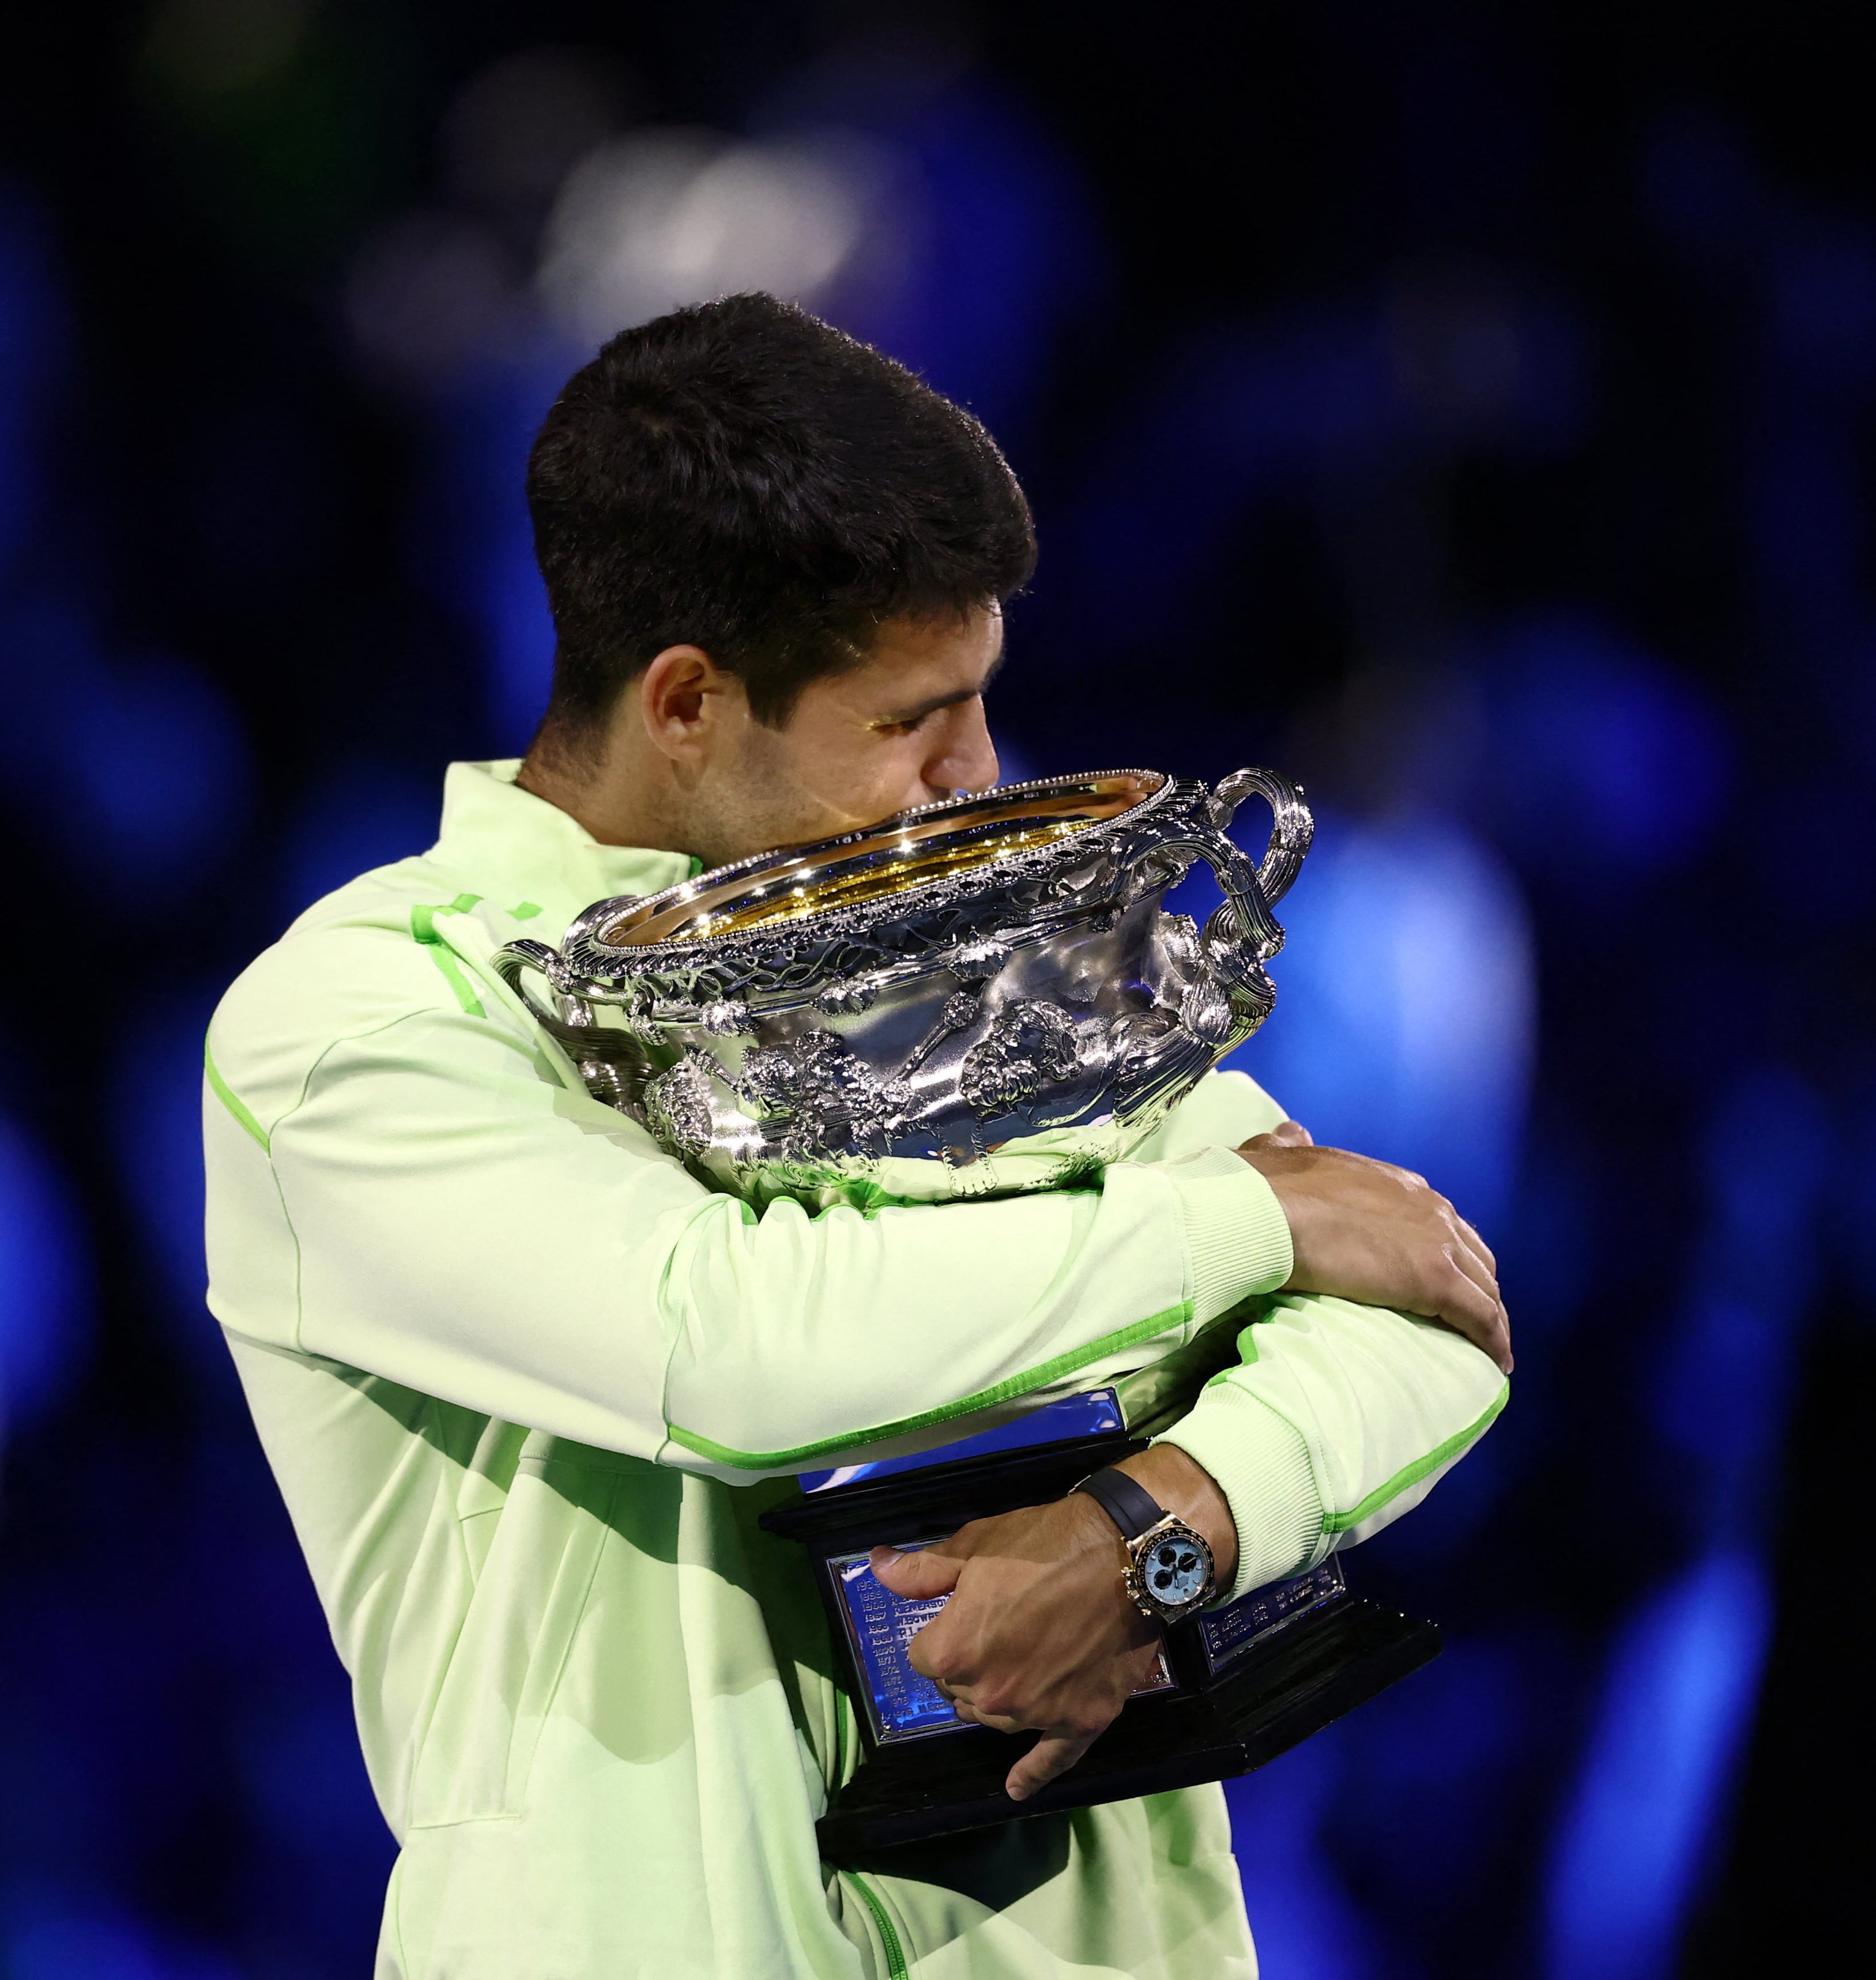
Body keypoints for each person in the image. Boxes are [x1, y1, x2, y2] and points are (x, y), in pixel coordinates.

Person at [202, 293, 1512, 1979]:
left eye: (982, 696)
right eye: (912, 721)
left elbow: (1418, 1301)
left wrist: (1160, 1523)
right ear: (686, 701)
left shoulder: (1006, 935)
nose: (978, 774)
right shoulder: (360, 1025)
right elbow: (723, 1341)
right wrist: (1231, 1229)